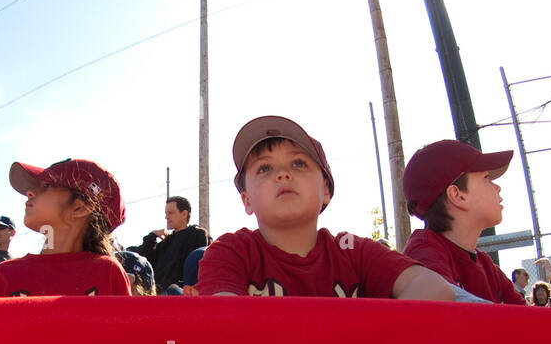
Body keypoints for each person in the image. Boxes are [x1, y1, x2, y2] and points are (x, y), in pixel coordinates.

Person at [198, 116, 455, 301]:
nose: (283, 174)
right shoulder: (230, 252)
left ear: (326, 191)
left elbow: (435, 289)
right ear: (247, 201)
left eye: (299, 164)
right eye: (265, 168)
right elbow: (224, 322)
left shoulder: (354, 252)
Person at [0, 158, 131, 297]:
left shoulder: (108, 272)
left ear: (79, 208)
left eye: (46, 185)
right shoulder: (5, 274)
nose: (30, 193)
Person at [401, 139, 525, 305]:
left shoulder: (486, 264)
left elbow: (526, 317)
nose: (497, 187)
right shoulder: (424, 248)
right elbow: (441, 302)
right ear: (458, 195)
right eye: (487, 178)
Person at [137, 196, 208, 291]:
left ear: (184, 214)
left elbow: (200, 266)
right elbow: (143, 261)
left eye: (170, 213)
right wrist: (152, 236)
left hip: (182, 294)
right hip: (159, 294)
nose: (166, 217)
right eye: (166, 213)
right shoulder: (164, 243)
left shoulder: (196, 235)